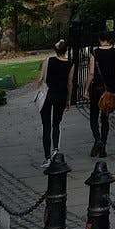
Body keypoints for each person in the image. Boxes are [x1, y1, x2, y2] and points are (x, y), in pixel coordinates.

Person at [34, 40, 73, 170]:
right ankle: (55, 149)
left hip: (48, 96)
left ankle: (47, 157)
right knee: (56, 123)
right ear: (65, 51)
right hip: (61, 96)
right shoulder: (70, 64)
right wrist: (69, 99)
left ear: (55, 50)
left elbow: (40, 80)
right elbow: (69, 83)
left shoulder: (48, 61)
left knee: (46, 125)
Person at [86, 31, 115, 157]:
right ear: (110, 39)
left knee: (93, 116)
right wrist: (113, 83)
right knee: (105, 118)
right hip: (109, 89)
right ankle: (103, 148)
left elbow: (91, 73)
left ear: (100, 39)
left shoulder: (95, 53)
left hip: (97, 88)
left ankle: (97, 140)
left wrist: (86, 89)